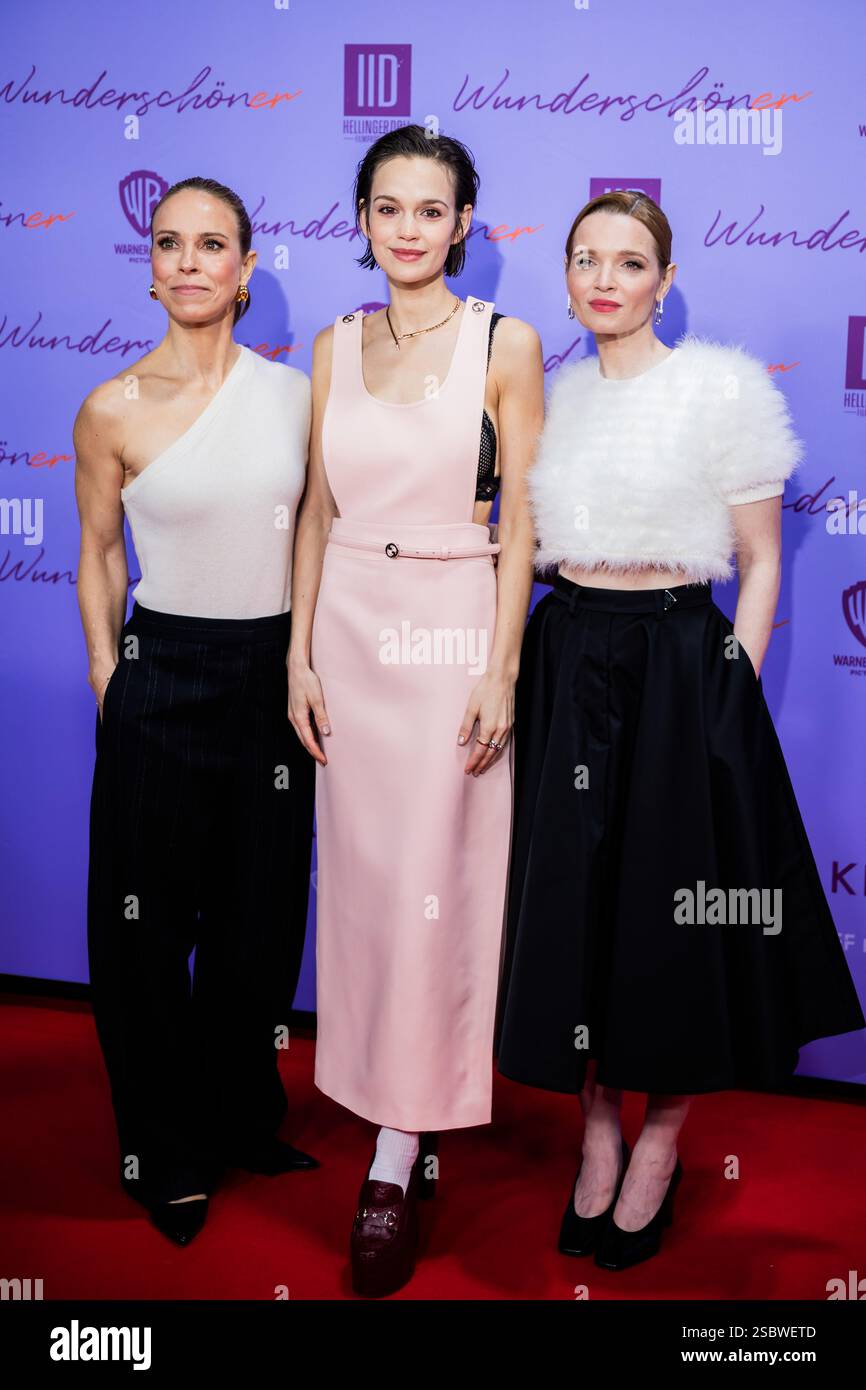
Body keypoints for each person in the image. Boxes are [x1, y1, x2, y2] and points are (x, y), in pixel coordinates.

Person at [494, 189, 866, 1272]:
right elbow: (523, 545)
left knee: (674, 918)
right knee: (585, 911)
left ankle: (659, 1145)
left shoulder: (720, 387)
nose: (603, 279)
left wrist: (727, 684)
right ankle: (596, 1137)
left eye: (627, 261)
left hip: (677, 659)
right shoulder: (550, 398)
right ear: (564, 278)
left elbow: (760, 561)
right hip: (571, 655)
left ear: (662, 279)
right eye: (584, 260)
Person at [288, 124, 544, 1296]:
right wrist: (298, 654)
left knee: (441, 888)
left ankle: (398, 1154)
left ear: (461, 225)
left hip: (448, 632)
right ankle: (391, 1104)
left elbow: (523, 523)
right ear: (360, 219)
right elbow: (310, 512)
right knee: (370, 890)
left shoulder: (506, 341)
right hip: (347, 621)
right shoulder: (332, 345)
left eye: (429, 210)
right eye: (386, 207)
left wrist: (498, 667)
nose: (406, 228)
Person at [74, 176, 317, 1247]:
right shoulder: (110, 407)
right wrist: (106, 677)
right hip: (159, 674)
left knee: (257, 923)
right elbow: (94, 555)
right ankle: (159, 1146)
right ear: (151, 265)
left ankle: (237, 1114)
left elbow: (315, 527)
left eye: (210, 243)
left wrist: (304, 656)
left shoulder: (295, 395)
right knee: (143, 931)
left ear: (245, 266)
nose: (187, 261)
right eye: (168, 242)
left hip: (271, 676)